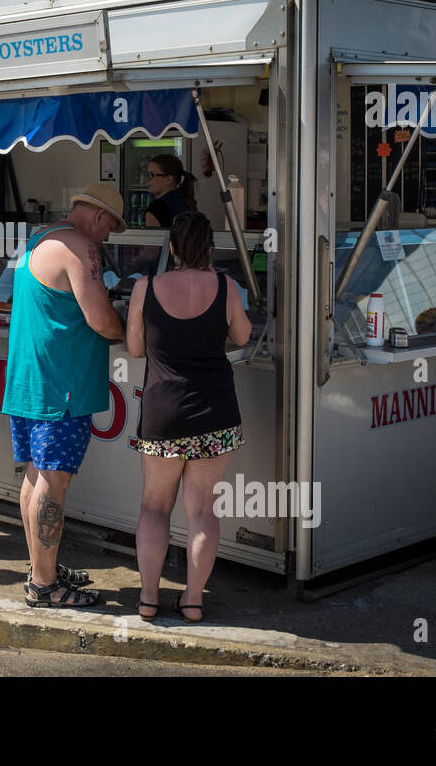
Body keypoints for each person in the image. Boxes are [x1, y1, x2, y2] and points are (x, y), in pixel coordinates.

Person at [2, 183, 126, 607]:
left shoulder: (37, 241)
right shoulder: (80, 247)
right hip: (62, 385)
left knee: (35, 477)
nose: (108, 237)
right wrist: (134, 327)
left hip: (29, 381)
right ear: (99, 216)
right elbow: (101, 320)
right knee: (54, 483)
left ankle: (42, 566)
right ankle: (45, 586)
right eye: (111, 226)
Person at [125, 211, 250, 622]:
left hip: (164, 413)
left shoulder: (147, 287)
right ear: (209, 248)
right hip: (215, 411)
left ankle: (147, 599)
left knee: (154, 508)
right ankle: (193, 601)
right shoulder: (225, 286)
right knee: (202, 509)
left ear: (173, 248)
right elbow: (244, 335)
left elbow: (136, 348)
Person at [144, 154, 196, 228]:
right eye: (147, 174)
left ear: (169, 179)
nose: (147, 180)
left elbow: (153, 238)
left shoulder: (157, 207)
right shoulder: (187, 201)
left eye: (151, 175)